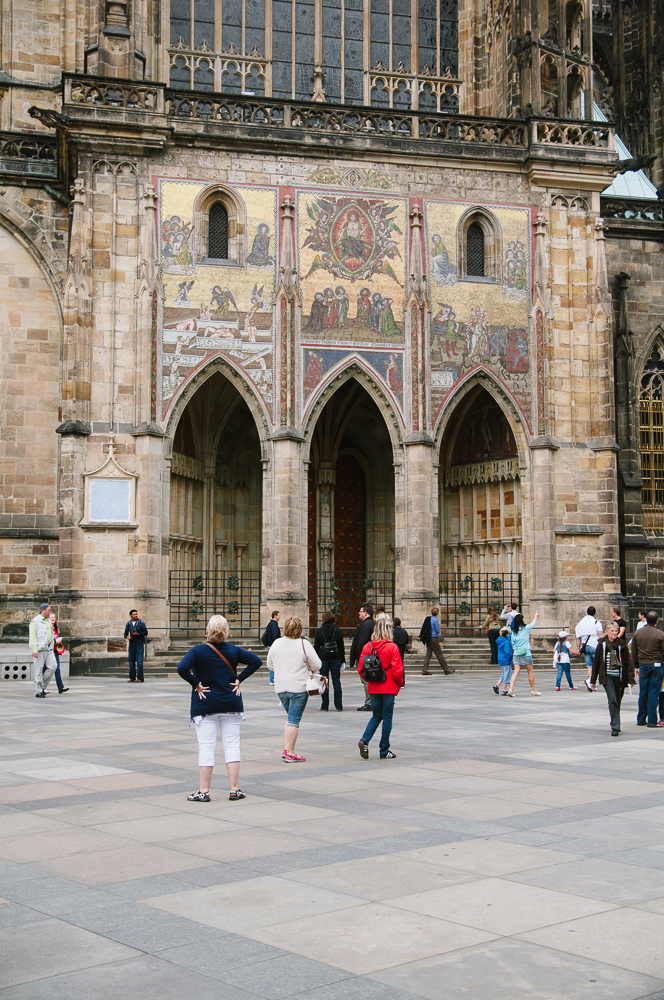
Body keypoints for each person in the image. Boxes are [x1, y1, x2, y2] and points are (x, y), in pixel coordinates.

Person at [177, 614, 261, 801]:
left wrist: (196, 684)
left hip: (205, 703)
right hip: (230, 702)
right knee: (232, 745)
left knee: (206, 747)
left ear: (207, 631)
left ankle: (204, 791)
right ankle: (234, 789)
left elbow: (182, 668)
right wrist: (239, 679)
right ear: (226, 633)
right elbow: (256, 661)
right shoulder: (233, 650)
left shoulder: (197, 651)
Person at [268, 616, 321, 761]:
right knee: (294, 720)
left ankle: (287, 748)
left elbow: (270, 665)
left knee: (290, 718)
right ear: (299, 629)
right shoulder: (303, 644)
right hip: (298, 687)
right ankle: (290, 753)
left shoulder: (276, 643)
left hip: (281, 688)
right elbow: (317, 665)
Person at [357, 618, 404, 760]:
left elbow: (361, 669)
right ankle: (384, 749)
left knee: (376, 716)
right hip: (388, 686)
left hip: (373, 686)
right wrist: (399, 683)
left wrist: (370, 679)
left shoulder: (367, 646)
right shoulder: (392, 647)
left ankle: (365, 740)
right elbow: (397, 670)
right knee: (387, 718)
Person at [591, 622, 634, 736]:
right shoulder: (602, 645)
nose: (614, 633)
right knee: (613, 700)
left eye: (616, 631)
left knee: (617, 701)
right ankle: (615, 726)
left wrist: (631, 679)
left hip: (619, 678)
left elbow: (628, 663)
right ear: (606, 632)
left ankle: (615, 723)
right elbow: (596, 662)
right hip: (607, 677)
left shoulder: (622, 645)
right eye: (612, 631)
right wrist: (593, 680)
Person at [631, 610, 664, 729]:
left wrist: (636, 665)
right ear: (656, 622)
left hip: (643, 664)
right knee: (654, 693)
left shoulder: (638, 633)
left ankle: (641, 718)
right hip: (657, 665)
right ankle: (652, 720)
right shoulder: (660, 634)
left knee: (643, 692)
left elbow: (634, 651)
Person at [314, 611, 345, 711]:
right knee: (337, 682)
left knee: (324, 682)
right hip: (336, 658)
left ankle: (325, 705)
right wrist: (342, 660)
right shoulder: (337, 630)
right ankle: (339, 706)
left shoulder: (319, 631)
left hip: (323, 659)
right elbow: (341, 647)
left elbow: (316, 647)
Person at [350, 604, 376, 711]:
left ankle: (369, 702)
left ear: (366, 613)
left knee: (366, 680)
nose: (359, 613)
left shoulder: (366, 625)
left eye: (361, 611)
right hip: (370, 656)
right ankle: (373, 701)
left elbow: (361, 643)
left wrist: (357, 657)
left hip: (365, 657)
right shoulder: (372, 624)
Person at [508, 611, 540, 696]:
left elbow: (513, 643)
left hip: (517, 653)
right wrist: (535, 615)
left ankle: (511, 688)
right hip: (526, 652)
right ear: (522, 620)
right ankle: (533, 690)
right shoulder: (526, 629)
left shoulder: (514, 632)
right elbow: (533, 622)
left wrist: (516, 649)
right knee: (530, 672)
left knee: (516, 671)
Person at [29, 603, 56, 698]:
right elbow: (32, 637)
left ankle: (42, 685)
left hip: (49, 649)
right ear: (43, 610)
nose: (50, 612)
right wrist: (34, 649)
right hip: (40, 649)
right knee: (38, 669)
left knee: (53, 666)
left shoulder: (48, 621)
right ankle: (38, 690)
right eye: (48, 610)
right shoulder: (35, 621)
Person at [419, 607, 455, 676]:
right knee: (439, 654)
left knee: (428, 655)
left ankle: (424, 670)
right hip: (433, 638)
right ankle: (446, 669)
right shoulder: (435, 620)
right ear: (437, 613)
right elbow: (438, 631)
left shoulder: (428, 619)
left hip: (428, 638)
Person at [575, 606, 603, 692]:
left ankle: (591, 684)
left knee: (589, 665)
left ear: (587, 613)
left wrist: (578, 649)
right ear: (595, 613)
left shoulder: (580, 623)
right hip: (594, 645)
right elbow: (601, 636)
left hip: (585, 646)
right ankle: (590, 681)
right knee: (597, 665)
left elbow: (578, 638)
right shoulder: (596, 622)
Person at [124, 609, 148, 683]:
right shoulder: (129, 623)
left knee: (140, 661)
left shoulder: (141, 623)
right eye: (134, 614)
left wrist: (138, 634)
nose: (136, 615)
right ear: (131, 615)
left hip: (139, 643)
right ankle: (132, 677)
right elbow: (125, 633)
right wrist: (127, 637)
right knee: (131, 661)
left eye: (136, 614)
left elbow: (145, 632)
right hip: (132, 644)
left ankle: (140, 678)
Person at [49, 613, 69, 694]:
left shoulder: (54, 628)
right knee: (46, 669)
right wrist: (55, 641)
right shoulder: (48, 627)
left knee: (57, 669)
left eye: (54, 617)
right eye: (51, 617)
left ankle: (60, 687)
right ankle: (41, 686)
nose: (53, 619)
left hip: (55, 650)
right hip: (49, 651)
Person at [262, 610, 281, 685]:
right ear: (275, 616)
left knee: (273, 662)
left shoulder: (270, 624)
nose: (280, 616)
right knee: (274, 662)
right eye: (279, 615)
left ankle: (272, 679)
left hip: (270, 645)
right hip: (273, 646)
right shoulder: (274, 624)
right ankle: (272, 679)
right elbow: (274, 636)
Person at [494, 626, 513, 695]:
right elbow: (507, 652)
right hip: (506, 660)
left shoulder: (499, 640)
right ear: (507, 634)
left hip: (500, 659)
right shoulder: (506, 642)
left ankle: (497, 685)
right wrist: (511, 657)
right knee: (506, 675)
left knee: (504, 673)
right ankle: (504, 690)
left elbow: (507, 636)